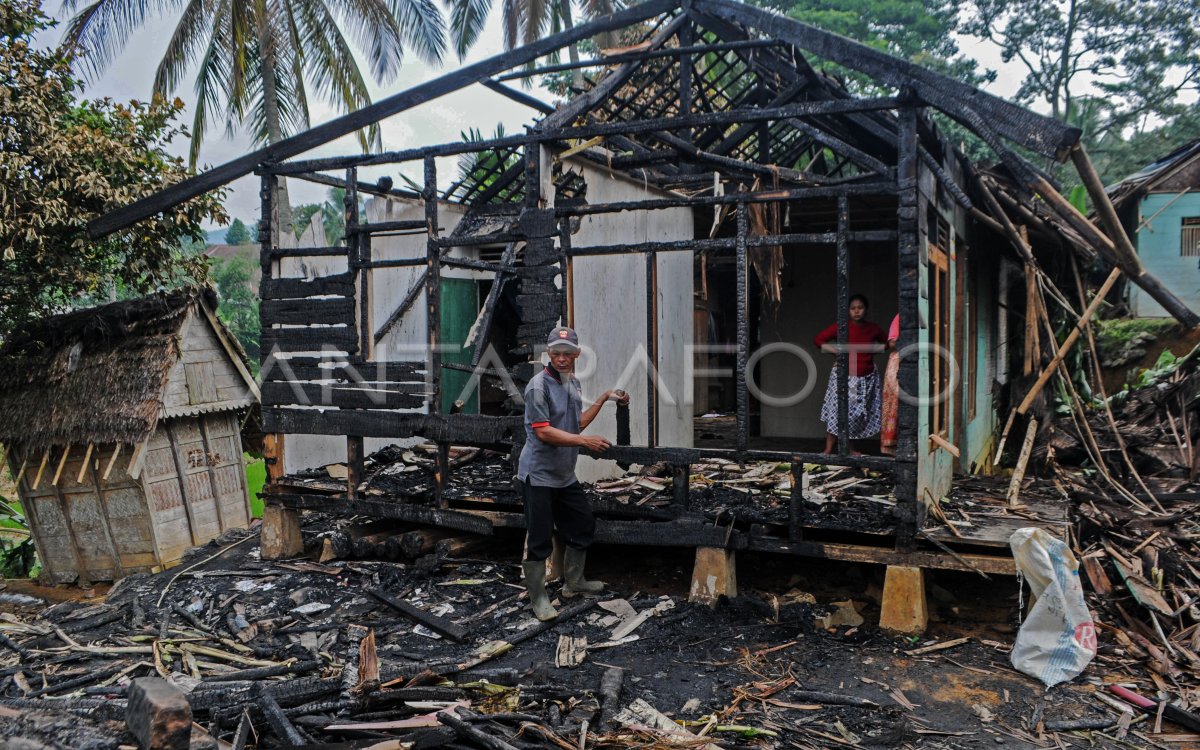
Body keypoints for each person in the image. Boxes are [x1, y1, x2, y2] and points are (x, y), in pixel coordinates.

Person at [517, 326, 630, 621]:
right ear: (548, 354)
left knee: (581, 525)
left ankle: (574, 583)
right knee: (540, 536)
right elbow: (543, 432)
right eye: (556, 352)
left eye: (567, 353)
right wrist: (584, 442)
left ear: (577, 355)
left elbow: (575, 423)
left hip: (564, 476)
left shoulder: (573, 383)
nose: (562, 358)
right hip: (538, 475)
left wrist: (604, 398)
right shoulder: (537, 387)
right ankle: (539, 597)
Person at [813, 294, 887, 454]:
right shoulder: (842, 326)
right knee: (837, 411)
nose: (856, 311)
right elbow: (818, 339)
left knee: (855, 415)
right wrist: (836, 351)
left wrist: (870, 352)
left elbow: (888, 342)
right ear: (848, 311)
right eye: (853, 308)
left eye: (860, 308)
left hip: (865, 378)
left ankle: (849, 447)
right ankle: (828, 448)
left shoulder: (873, 329)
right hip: (844, 376)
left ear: (865, 310)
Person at [880, 314, 901, 456]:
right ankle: (893, 447)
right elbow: (892, 342)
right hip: (899, 361)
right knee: (896, 402)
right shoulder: (901, 317)